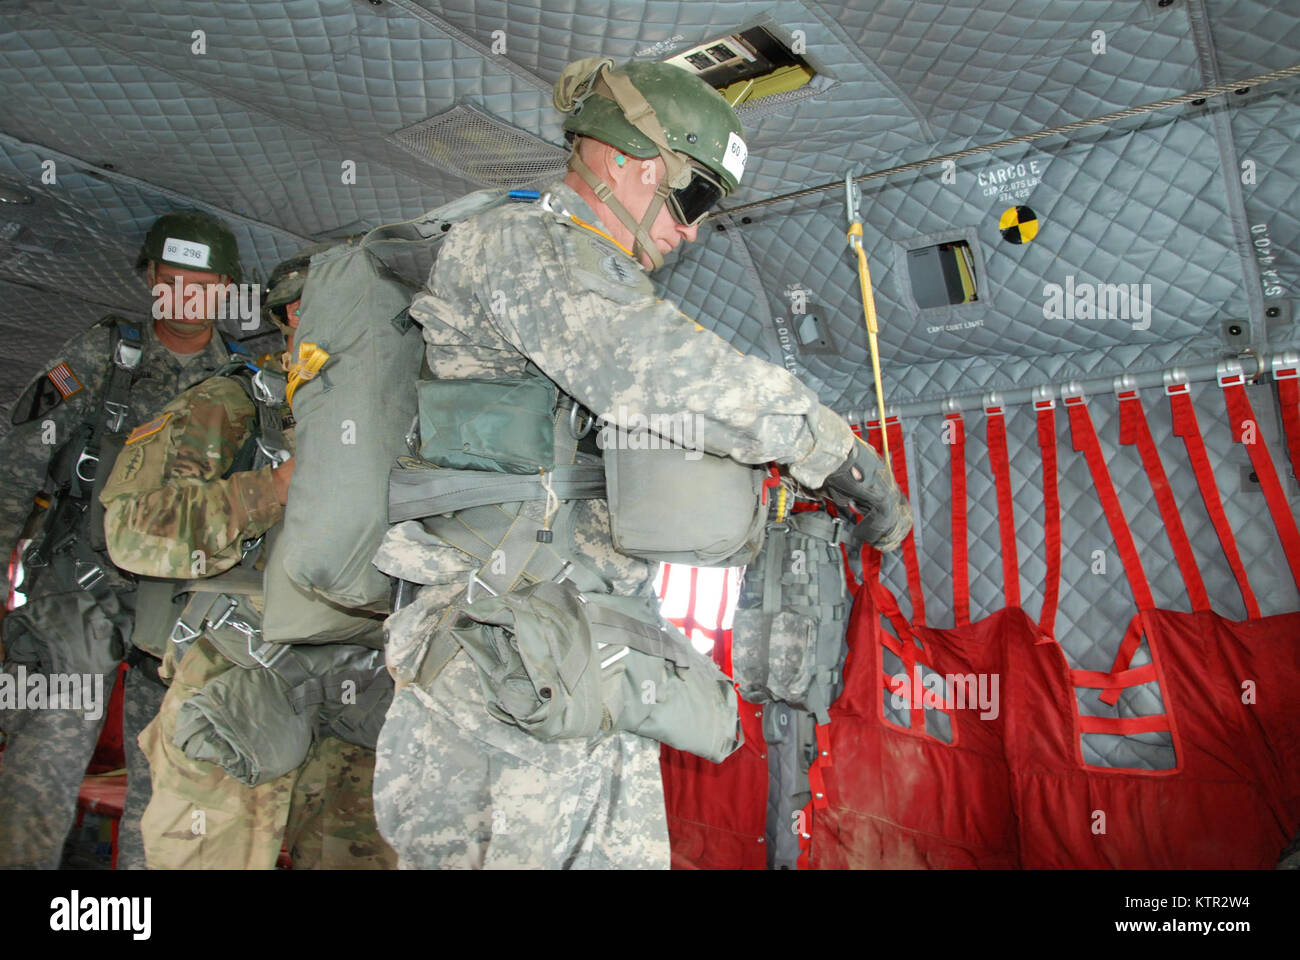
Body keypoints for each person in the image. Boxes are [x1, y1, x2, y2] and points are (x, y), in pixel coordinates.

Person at [370, 57, 911, 869]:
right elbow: (661, 371)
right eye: (693, 197)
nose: (692, 228)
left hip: (586, 647)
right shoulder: (521, 247)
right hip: (493, 660)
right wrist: (838, 452)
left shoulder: (596, 278)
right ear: (626, 159)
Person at [98, 248, 396, 870]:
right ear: (295, 315)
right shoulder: (236, 404)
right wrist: (276, 488)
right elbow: (131, 530)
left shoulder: (401, 421)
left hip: (361, 692)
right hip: (240, 680)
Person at [0, 209, 249, 869]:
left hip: (175, 613)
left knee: (164, 784)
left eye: (204, 283)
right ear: (150, 280)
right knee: (43, 764)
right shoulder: (108, 354)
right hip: (75, 592)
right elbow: (20, 464)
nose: (187, 296)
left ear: (226, 289)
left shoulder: (243, 390)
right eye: (173, 279)